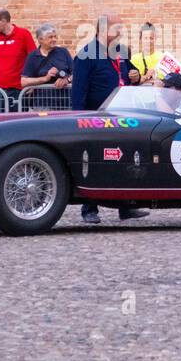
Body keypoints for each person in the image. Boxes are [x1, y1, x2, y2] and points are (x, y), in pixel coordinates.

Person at [71, 15, 148, 225]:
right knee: (93, 162)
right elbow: (78, 92)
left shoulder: (120, 51)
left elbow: (133, 76)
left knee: (124, 160)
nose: (121, 31)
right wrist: (79, 119)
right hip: (96, 117)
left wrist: (136, 77)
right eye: (117, 28)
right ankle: (89, 208)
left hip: (121, 118)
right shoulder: (86, 55)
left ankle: (126, 206)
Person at [0, 8, 36, 114]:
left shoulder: (23, 34)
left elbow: (34, 59)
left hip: (18, 88)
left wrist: (31, 82)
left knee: (17, 123)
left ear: (3, 21)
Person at [20, 23, 74, 110]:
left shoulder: (63, 52)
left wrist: (67, 80)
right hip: (42, 104)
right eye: (50, 37)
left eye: (55, 36)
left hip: (65, 103)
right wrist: (45, 78)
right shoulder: (33, 56)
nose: (54, 39)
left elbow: (76, 73)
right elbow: (24, 81)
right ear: (40, 39)